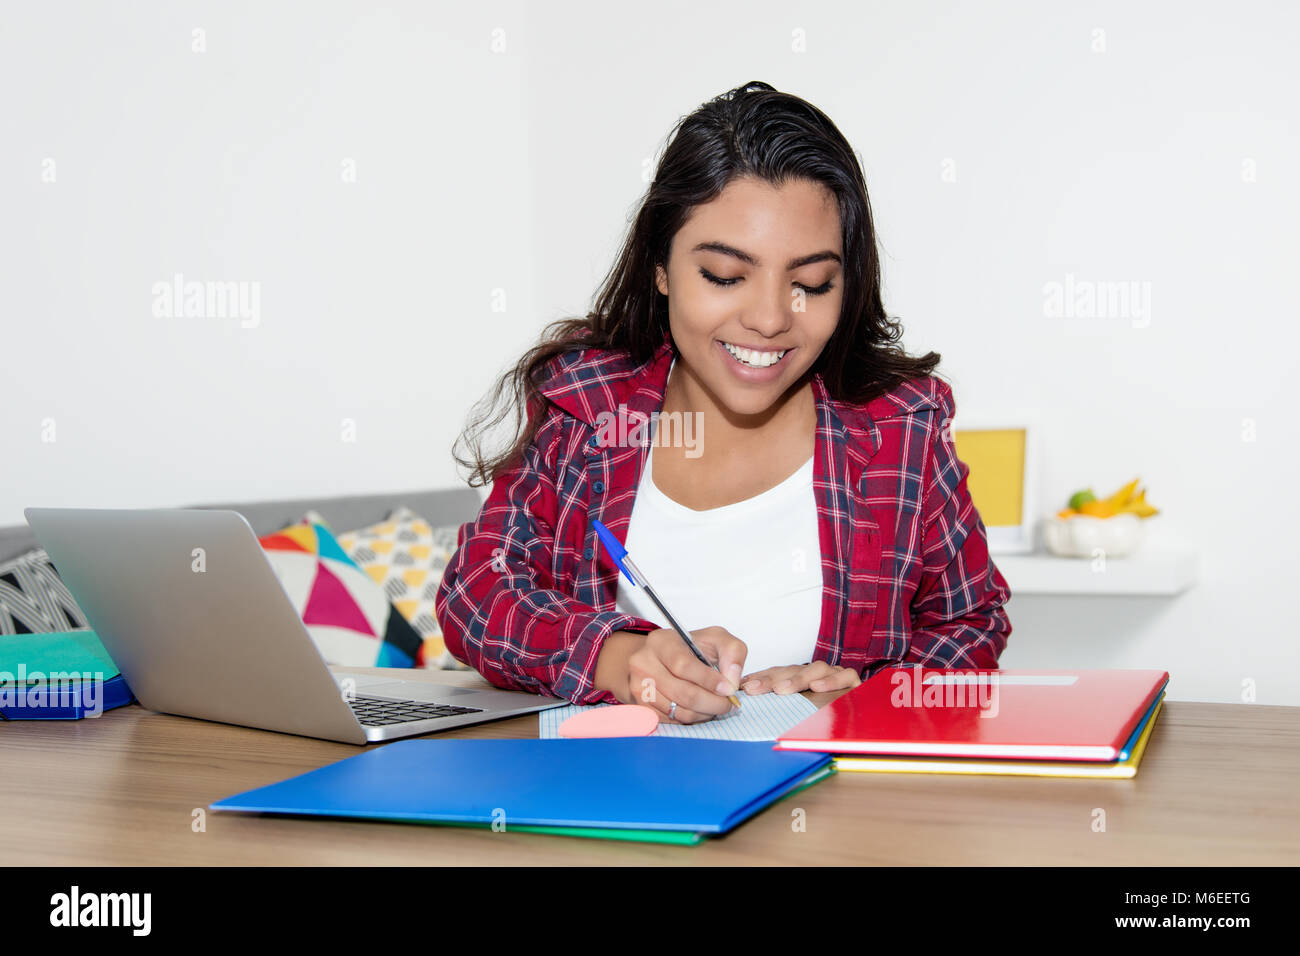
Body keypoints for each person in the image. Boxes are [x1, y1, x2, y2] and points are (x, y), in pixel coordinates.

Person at [436, 80, 1011, 725]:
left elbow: (971, 626)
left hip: (836, 814)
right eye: (724, 276)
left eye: (811, 284)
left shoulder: (898, 430)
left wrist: (871, 697)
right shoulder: (590, 408)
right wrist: (622, 660)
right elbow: (476, 597)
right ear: (661, 266)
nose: (769, 319)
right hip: (606, 809)